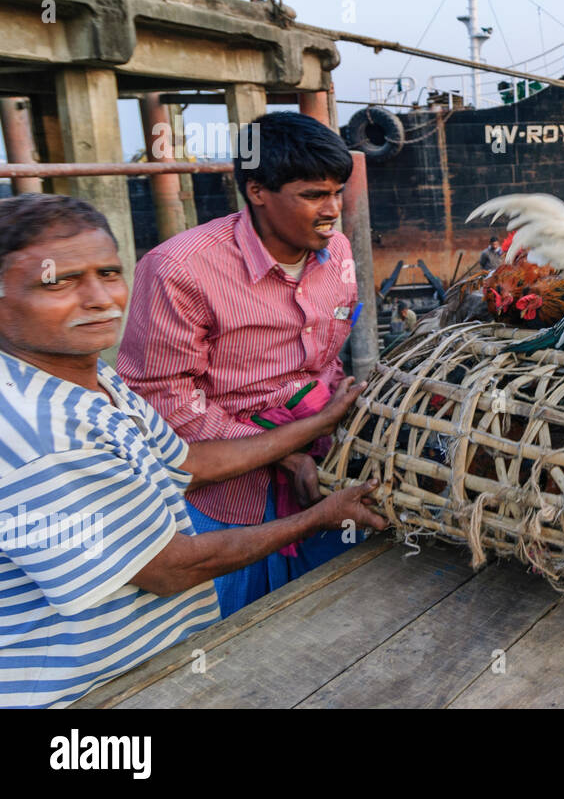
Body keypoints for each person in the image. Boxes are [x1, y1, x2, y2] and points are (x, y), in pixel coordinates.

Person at [0, 194, 385, 707]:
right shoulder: (35, 428)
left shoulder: (95, 382)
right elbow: (168, 569)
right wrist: (319, 518)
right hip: (80, 696)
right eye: (58, 282)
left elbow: (190, 461)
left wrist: (315, 425)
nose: (100, 299)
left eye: (108, 274)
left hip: (147, 669)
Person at [117, 112, 364, 618]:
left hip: (325, 474)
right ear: (257, 191)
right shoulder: (178, 269)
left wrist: (318, 440)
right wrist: (286, 451)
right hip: (221, 502)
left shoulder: (337, 252)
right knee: (223, 645)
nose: (332, 210)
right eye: (315, 194)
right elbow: (163, 408)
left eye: (338, 192)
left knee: (330, 626)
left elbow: (328, 363)